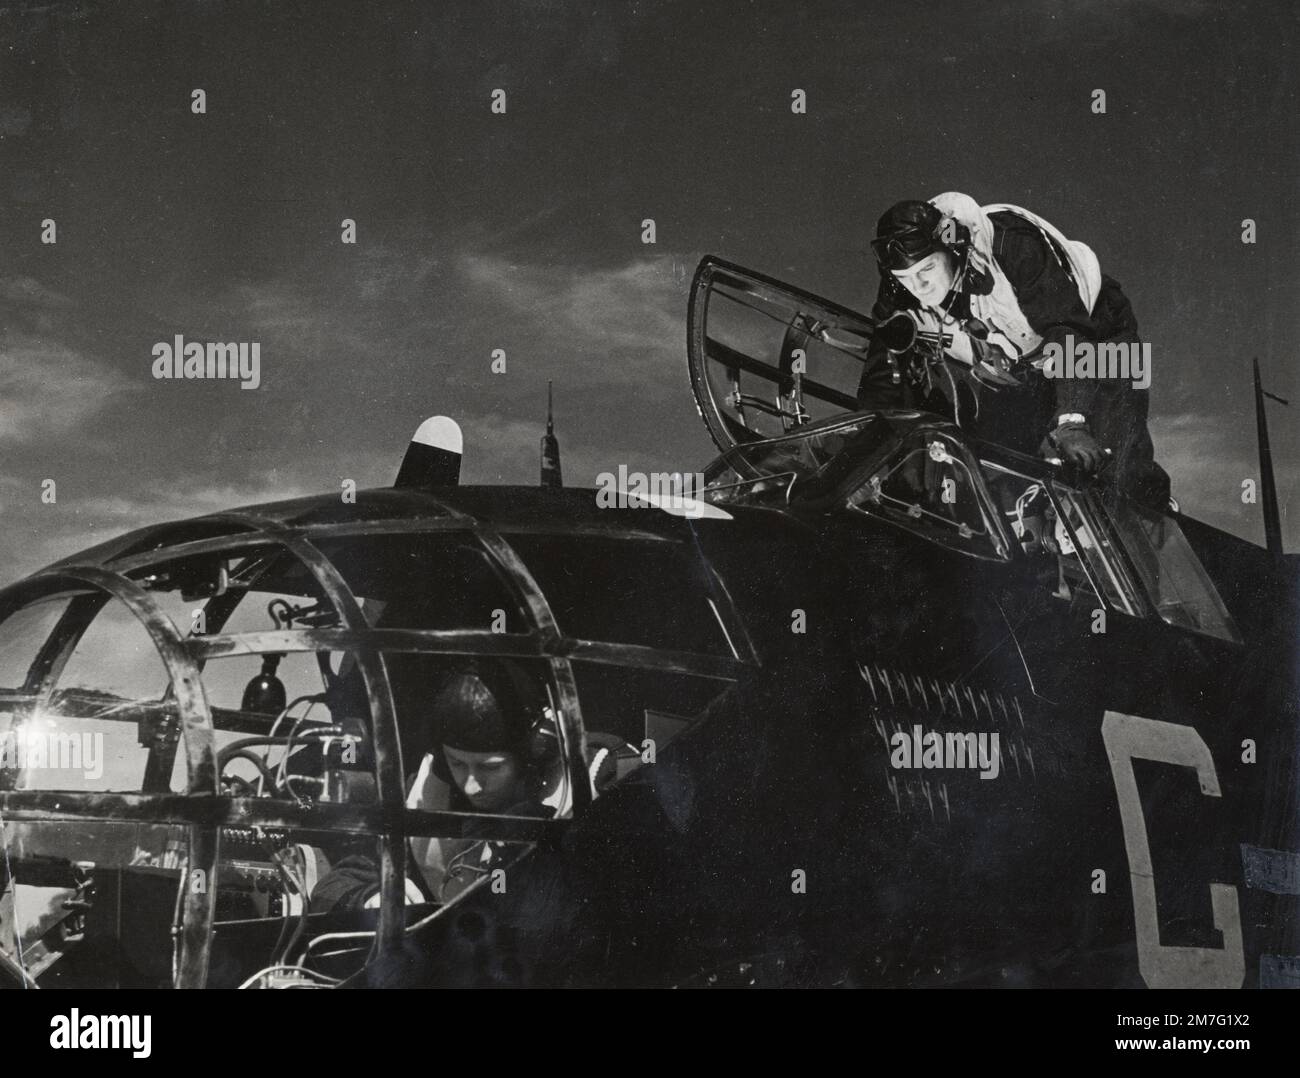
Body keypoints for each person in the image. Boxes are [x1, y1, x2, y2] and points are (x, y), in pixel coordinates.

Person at [857, 192, 1170, 509]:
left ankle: (1154, 517)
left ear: (950, 249)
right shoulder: (899, 287)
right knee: (1002, 466)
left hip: (1100, 330)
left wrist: (1072, 419)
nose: (919, 286)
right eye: (905, 278)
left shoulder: (1011, 241)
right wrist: (868, 444)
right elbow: (883, 365)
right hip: (1029, 361)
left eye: (926, 269)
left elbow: (1066, 328)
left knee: (1119, 459)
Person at [312, 662, 562, 911]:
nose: (471, 785)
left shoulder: (591, 792)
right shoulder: (423, 796)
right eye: (457, 764)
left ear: (534, 754)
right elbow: (334, 885)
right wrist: (371, 896)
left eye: (489, 767)